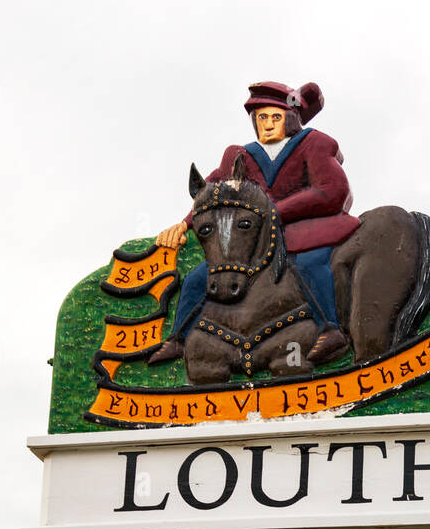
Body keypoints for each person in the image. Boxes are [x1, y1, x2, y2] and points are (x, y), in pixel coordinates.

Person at [149, 81, 359, 367]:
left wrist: (273, 210)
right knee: (200, 277)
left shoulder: (315, 143)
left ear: (291, 118)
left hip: (303, 230)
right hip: (249, 237)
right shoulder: (240, 154)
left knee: (308, 264)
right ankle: (178, 339)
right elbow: (210, 191)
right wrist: (184, 224)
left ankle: (330, 328)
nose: (269, 124)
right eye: (262, 117)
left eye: (276, 116)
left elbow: (333, 191)